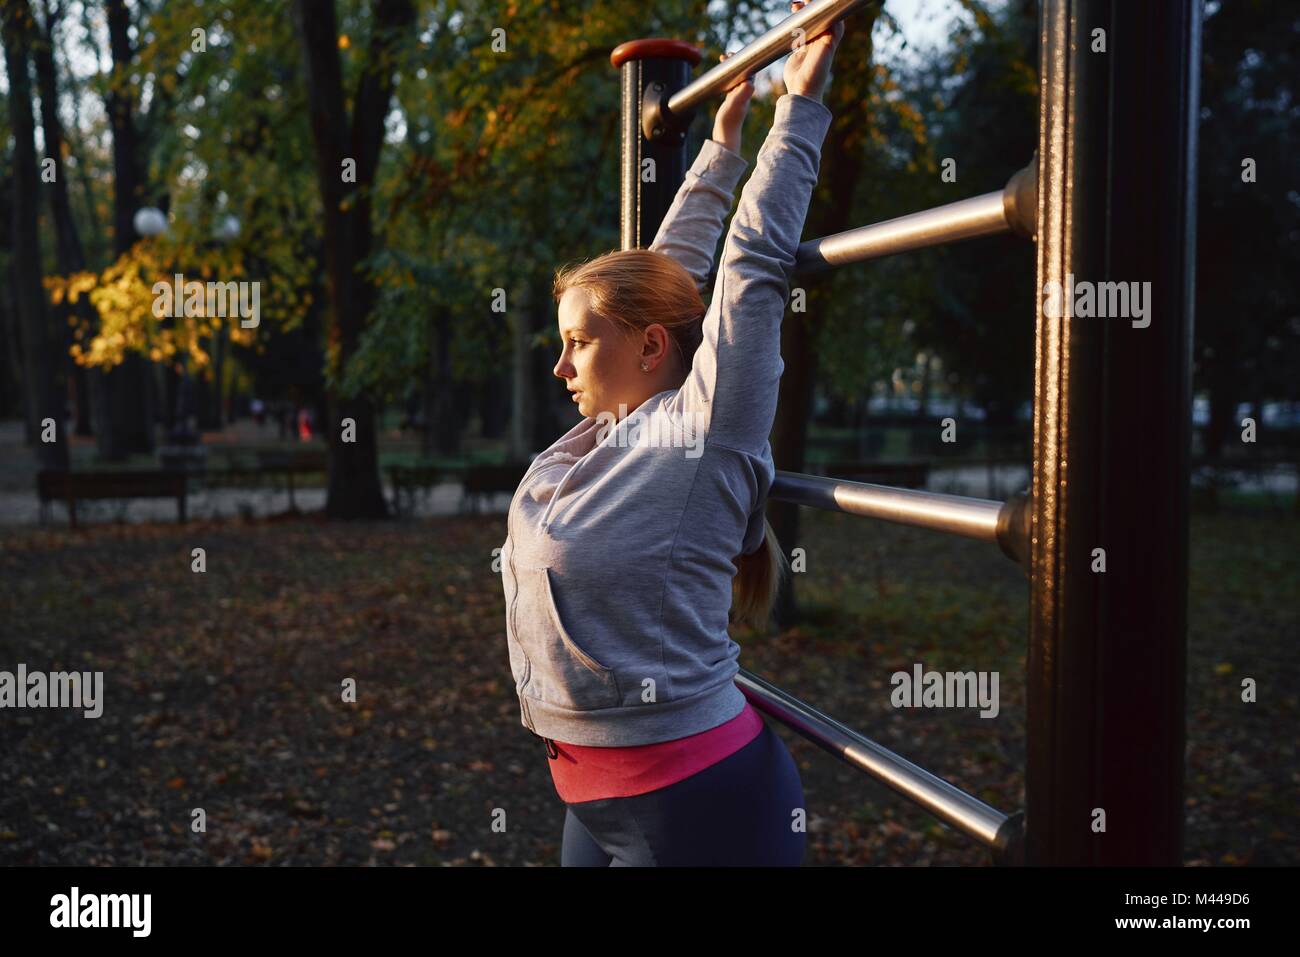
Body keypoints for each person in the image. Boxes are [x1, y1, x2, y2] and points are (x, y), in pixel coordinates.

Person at [500, 2, 844, 866]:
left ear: (651, 348)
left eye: (578, 342)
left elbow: (753, 262)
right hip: (592, 798)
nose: (562, 365)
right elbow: (668, 276)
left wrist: (799, 101)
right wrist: (720, 145)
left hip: (696, 803)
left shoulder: (703, 435)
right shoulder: (597, 442)